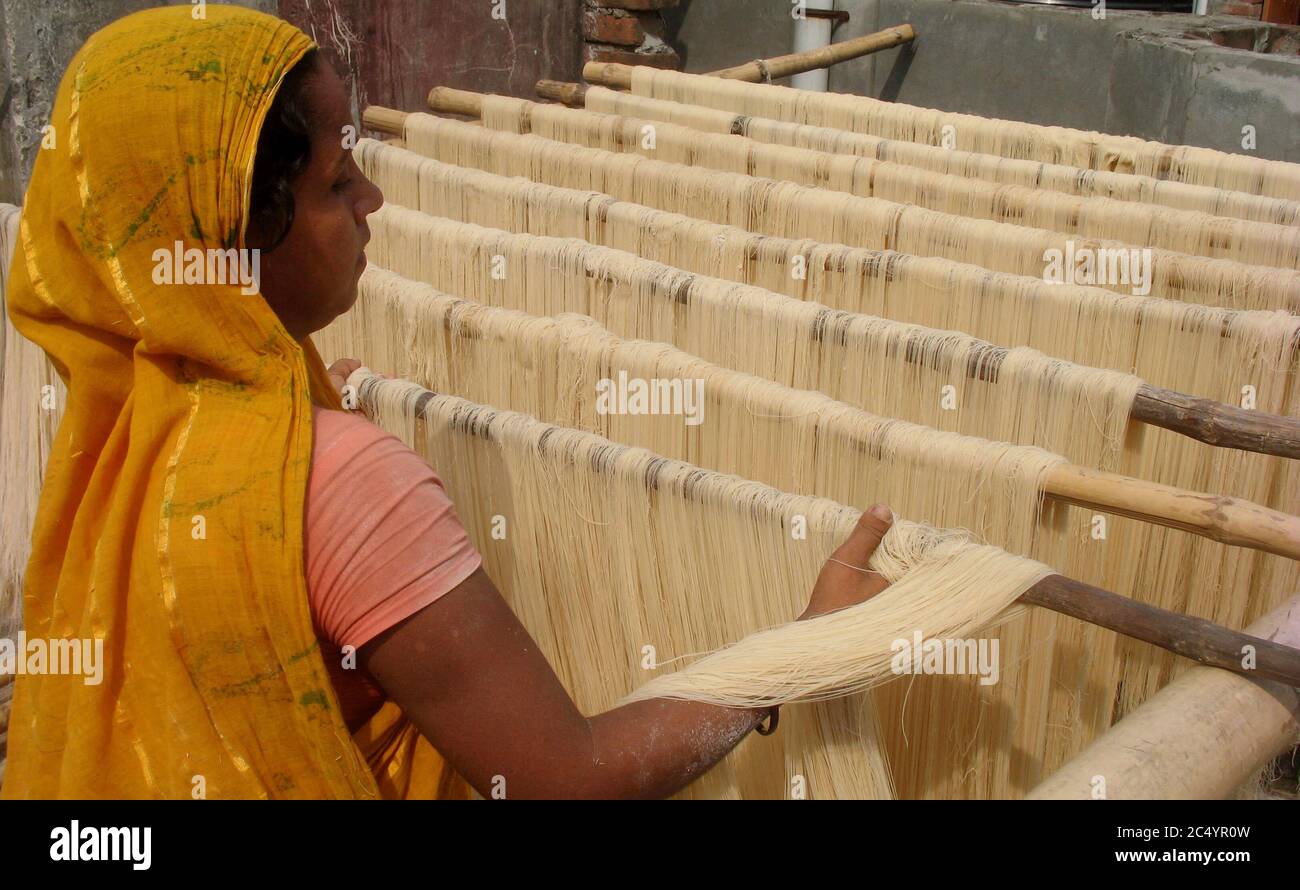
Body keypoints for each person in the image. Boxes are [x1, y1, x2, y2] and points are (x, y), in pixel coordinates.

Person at [2, 4, 893, 800]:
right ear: (236, 238)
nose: (372, 199)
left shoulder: (119, 424)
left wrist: (316, 423)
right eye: (333, 184)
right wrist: (797, 653)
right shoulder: (340, 486)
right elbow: (562, 779)